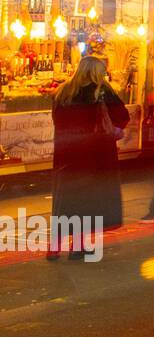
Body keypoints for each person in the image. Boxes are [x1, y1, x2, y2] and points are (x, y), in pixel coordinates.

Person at [48, 55, 129, 259]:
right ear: (95, 72)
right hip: (94, 154)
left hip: (67, 153)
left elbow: (57, 119)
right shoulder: (100, 91)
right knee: (87, 201)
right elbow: (122, 115)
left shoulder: (62, 92)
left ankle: (54, 247)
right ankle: (78, 247)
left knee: (65, 200)